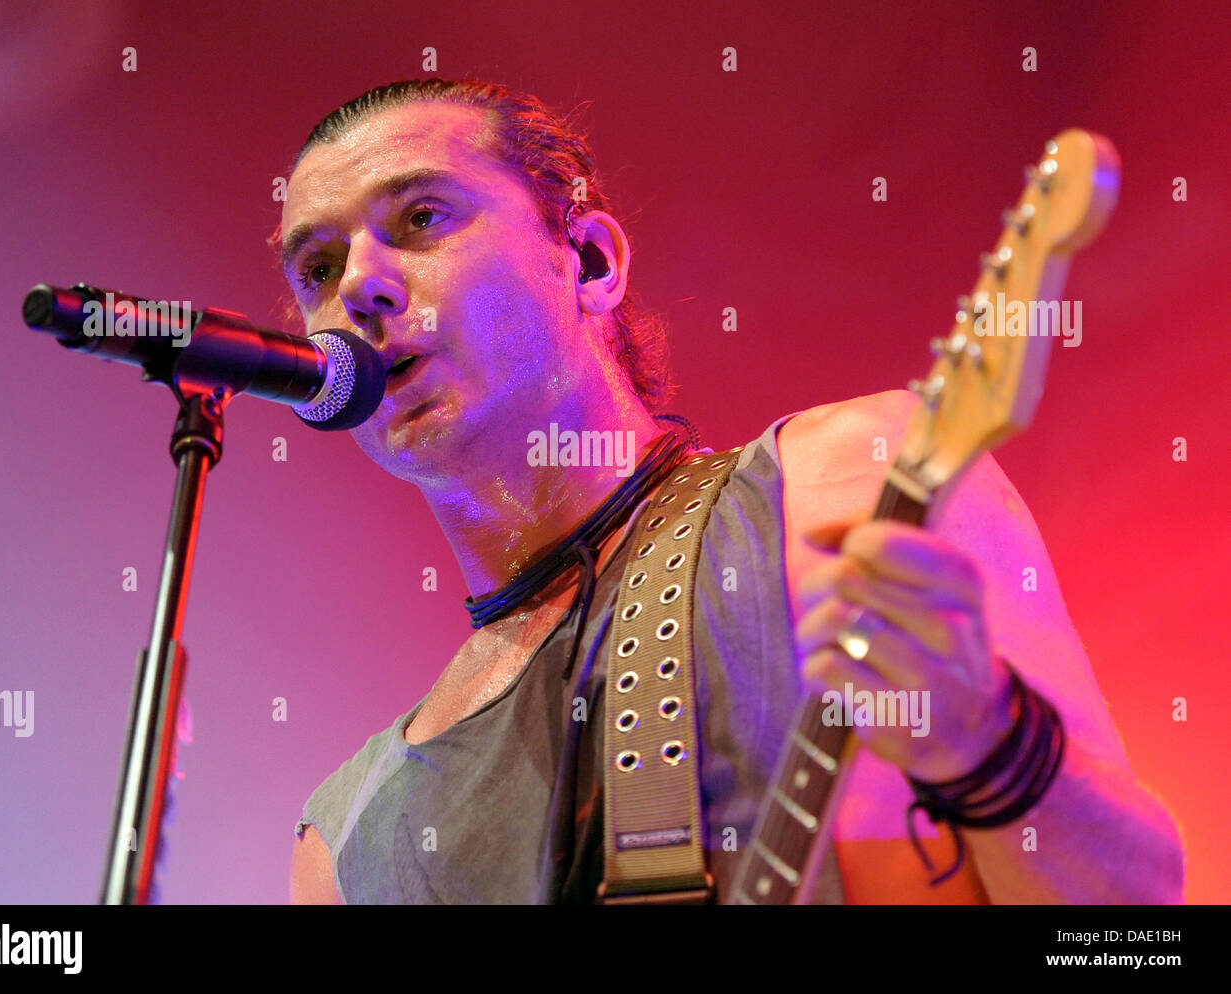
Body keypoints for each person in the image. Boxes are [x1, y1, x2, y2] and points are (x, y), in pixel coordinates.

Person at [280, 78, 1184, 904]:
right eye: (318, 267)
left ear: (588, 262)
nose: (358, 283)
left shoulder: (848, 486)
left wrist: (990, 743)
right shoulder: (342, 839)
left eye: (422, 217)